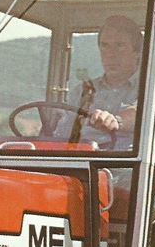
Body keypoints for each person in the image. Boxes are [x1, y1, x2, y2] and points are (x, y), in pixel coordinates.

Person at [59, 14, 143, 147]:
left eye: (119, 45)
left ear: (137, 52)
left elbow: (147, 115)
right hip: (80, 161)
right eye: (105, 46)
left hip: (125, 164)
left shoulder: (153, 90)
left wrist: (116, 121)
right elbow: (62, 136)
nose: (110, 54)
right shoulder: (82, 91)